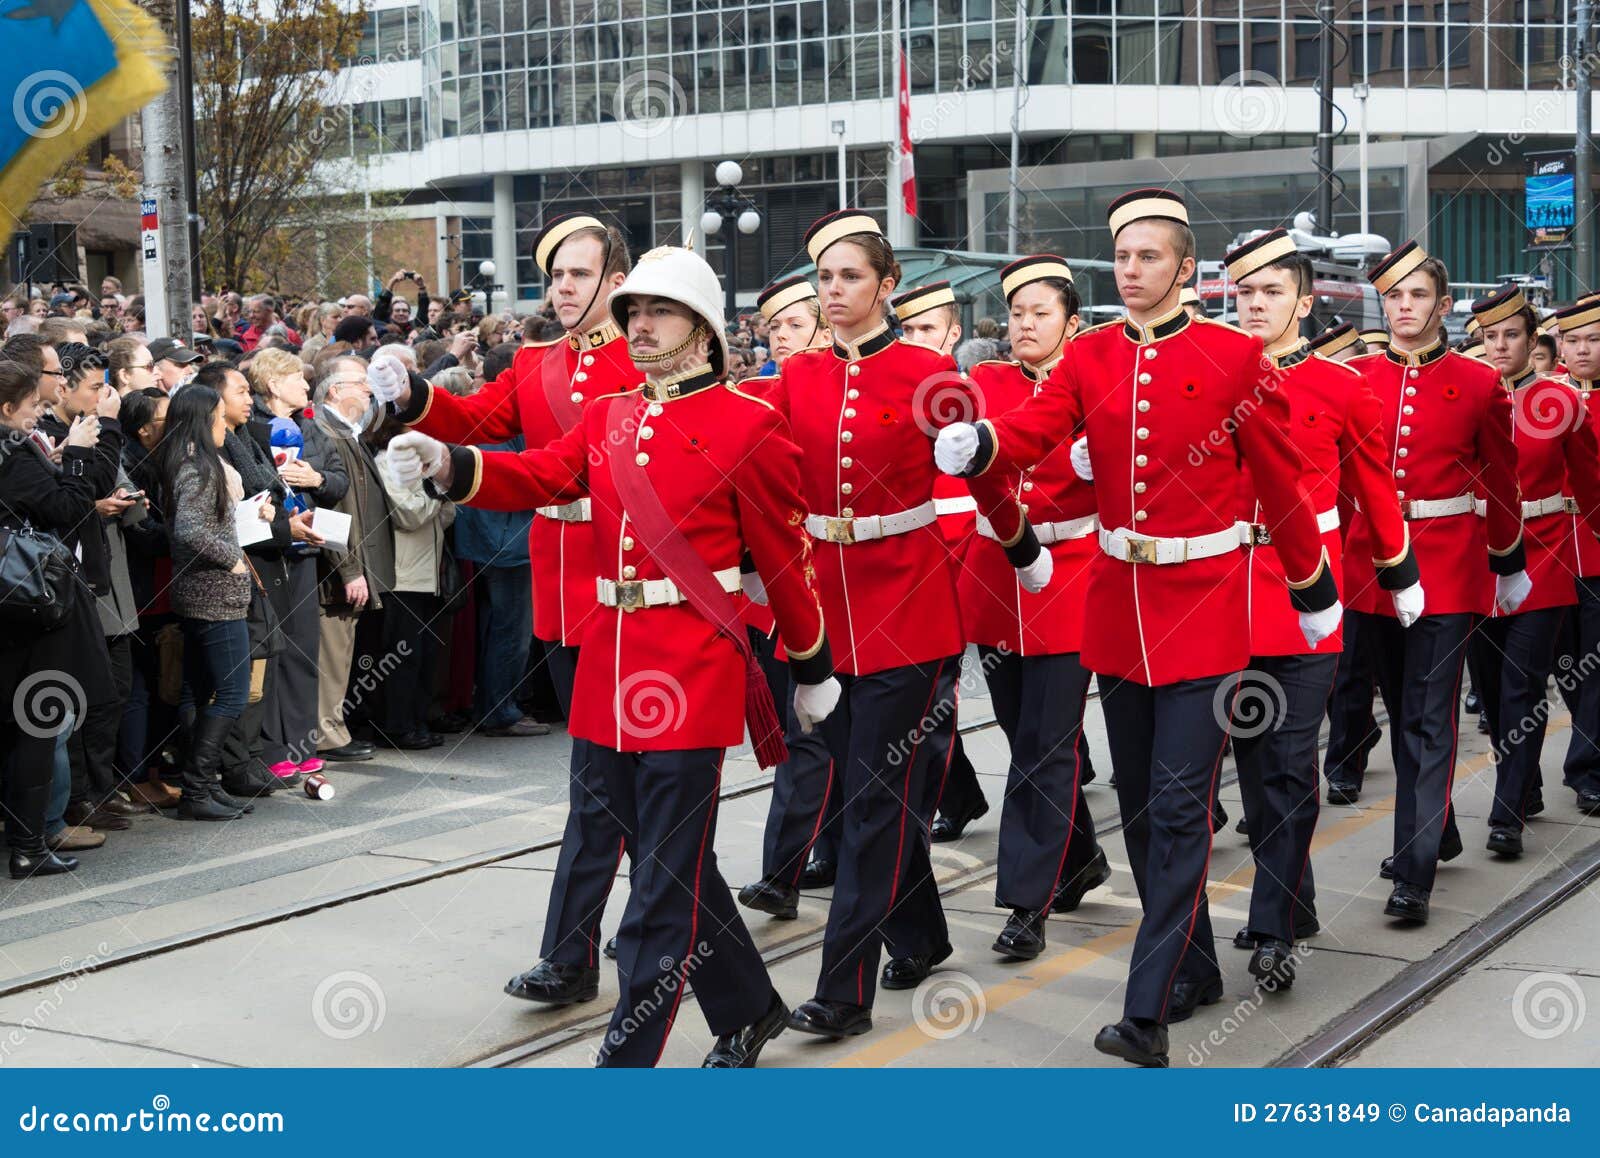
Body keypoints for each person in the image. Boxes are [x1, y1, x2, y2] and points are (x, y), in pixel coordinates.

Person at [390, 244, 840, 1068]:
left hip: (691, 668)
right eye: (631, 311)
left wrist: (811, 666)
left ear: (702, 331)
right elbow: (543, 474)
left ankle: (625, 1060)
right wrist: (454, 466)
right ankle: (748, 1006)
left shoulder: (750, 422)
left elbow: (784, 555)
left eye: (656, 312)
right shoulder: (610, 415)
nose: (637, 324)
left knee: (661, 885)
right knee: (671, 860)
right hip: (609, 664)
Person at [935, 188, 1342, 1067]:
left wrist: (1312, 587)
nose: (1132, 269)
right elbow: (1039, 430)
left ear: (1186, 268)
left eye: (1150, 256)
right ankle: (1189, 968)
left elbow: (1279, 483)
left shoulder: (1236, 358)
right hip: (1118, 609)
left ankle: (1146, 1012)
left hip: (1205, 610)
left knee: (1179, 807)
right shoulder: (1089, 357)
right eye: (1122, 256)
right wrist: (986, 445)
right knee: (1143, 813)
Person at [773, 211, 1028, 1040]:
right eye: (825, 279)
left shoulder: (934, 374)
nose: (833, 292)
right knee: (857, 795)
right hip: (824, 614)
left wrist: (1021, 546)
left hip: (910, 609)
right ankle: (921, 932)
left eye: (850, 277)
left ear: (887, 286)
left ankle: (841, 992)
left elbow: (982, 470)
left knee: (875, 803)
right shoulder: (796, 377)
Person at [371, 212, 638, 1003]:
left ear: (616, 283)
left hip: (633, 582)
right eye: (554, 275)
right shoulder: (535, 359)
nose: (561, 288)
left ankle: (605, 938)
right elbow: (478, 423)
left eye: (579, 274)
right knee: (607, 778)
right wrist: (415, 393)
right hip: (565, 585)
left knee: (624, 778)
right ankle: (616, 932)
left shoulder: (644, 354)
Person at [1222, 229, 1419, 987]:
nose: (1256, 305)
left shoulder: (1340, 386)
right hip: (1224, 597)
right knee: (1252, 753)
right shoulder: (1211, 376)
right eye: (1245, 293)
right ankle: (1293, 898)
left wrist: (1401, 575)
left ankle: (1272, 927)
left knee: (1289, 763)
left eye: (1272, 292)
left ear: (1304, 302)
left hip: (1311, 597)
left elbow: (1374, 488)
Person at [1340, 241, 1527, 924]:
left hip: (1447, 567)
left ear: (1443, 306)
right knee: (1396, 707)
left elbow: (1502, 481)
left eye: (1417, 296)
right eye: (1394, 296)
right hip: (1372, 568)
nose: (1404, 308)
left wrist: (1507, 562)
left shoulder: (1480, 385)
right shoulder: (1355, 377)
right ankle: (1437, 825)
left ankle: (1413, 871)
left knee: (1426, 718)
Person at [956, 255, 1110, 961]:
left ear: (1072, 324)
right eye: (1015, 312)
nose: (1023, 323)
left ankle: (1026, 902)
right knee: (1028, 740)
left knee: (1045, 749)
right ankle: (1080, 860)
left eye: (1039, 312)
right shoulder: (983, 383)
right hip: (998, 579)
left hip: (1071, 579)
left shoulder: (1100, 385)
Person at [1466, 286, 1600, 854]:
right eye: (1490, 337)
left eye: (1511, 335)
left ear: (1532, 339)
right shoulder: (1465, 395)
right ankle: (1528, 785)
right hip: (1474, 563)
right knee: (1492, 691)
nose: (1500, 346)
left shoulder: (1559, 400)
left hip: (1545, 555)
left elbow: (1591, 484)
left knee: (1523, 686)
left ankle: (1507, 811)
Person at [739, 275, 843, 916]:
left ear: (825, 331)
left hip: (849, 583)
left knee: (826, 738)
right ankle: (804, 861)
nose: (780, 337)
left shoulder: (841, 394)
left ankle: (785, 871)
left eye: (794, 326)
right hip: (788, 584)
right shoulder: (757, 397)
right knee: (807, 733)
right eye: (773, 328)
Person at [0, 359, 120, 876]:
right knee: (35, 727)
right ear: (8, 407)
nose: (39, 413)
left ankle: (26, 839)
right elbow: (70, 510)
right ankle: (28, 846)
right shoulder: (12, 456)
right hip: (31, 613)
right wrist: (75, 457)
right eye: (32, 406)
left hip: (13, 608)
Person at [887, 281, 995, 842]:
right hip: (917, 563)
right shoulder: (893, 390)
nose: (915, 339)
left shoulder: (964, 395)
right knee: (928, 704)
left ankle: (943, 802)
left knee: (937, 702)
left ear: (953, 333)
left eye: (927, 328)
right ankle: (960, 794)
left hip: (961, 560)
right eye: (907, 329)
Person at [152, 383, 261, 821]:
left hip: (204, 596)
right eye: (218, 416)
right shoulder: (197, 467)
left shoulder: (191, 463)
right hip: (213, 597)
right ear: (202, 420)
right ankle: (197, 788)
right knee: (232, 694)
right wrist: (232, 558)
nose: (224, 424)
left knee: (198, 692)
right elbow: (192, 532)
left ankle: (203, 785)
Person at [245, 348, 348, 782]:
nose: (307, 386)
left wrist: (317, 480)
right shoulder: (248, 430)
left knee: (304, 650)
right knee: (270, 653)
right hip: (266, 553)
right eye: (298, 379)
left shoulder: (312, 427)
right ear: (273, 384)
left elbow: (339, 481)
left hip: (307, 552)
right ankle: (271, 747)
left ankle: (303, 744)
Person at [312, 357, 393, 762]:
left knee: (341, 651)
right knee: (333, 651)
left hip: (349, 564)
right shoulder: (330, 434)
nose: (368, 389)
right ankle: (327, 733)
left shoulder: (346, 432)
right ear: (334, 391)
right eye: (359, 383)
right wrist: (351, 570)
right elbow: (335, 512)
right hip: (337, 569)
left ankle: (333, 728)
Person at [370, 418, 455, 747]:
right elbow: (409, 515)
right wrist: (438, 494)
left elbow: (447, 517)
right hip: (401, 575)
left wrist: (437, 498)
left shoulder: (419, 467)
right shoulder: (385, 464)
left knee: (425, 656)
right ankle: (397, 727)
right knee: (402, 657)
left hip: (427, 574)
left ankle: (417, 721)